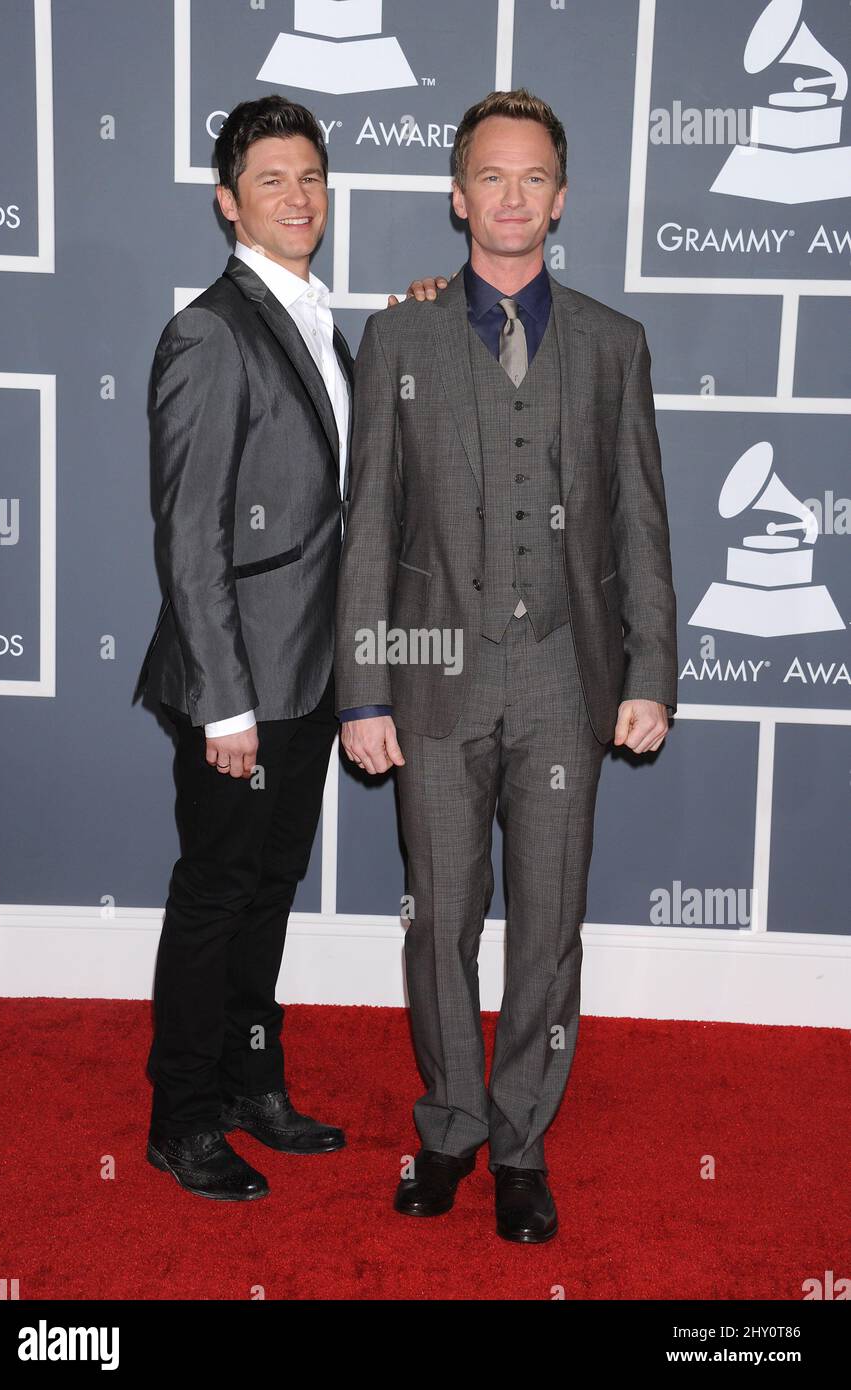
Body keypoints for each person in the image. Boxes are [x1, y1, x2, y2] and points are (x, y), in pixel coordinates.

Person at [335, 88, 678, 1242]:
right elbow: (369, 525)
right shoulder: (398, 337)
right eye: (492, 175)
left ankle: (521, 1141)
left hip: (560, 678)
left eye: (534, 177)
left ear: (562, 197)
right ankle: (447, 1127)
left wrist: (650, 670)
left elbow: (641, 525)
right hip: (429, 674)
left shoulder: (614, 344)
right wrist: (365, 685)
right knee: (439, 920)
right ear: (456, 194)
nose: (513, 195)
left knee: (549, 923)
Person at [134, 94, 445, 1201]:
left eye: (311, 176)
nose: (299, 196)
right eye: (272, 180)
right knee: (217, 891)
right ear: (227, 203)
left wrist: (422, 318)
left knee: (268, 886)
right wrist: (224, 702)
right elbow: (189, 534)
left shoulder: (323, 320)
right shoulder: (209, 332)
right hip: (240, 684)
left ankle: (251, 1083)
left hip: (312, 675)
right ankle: (181, 1116)